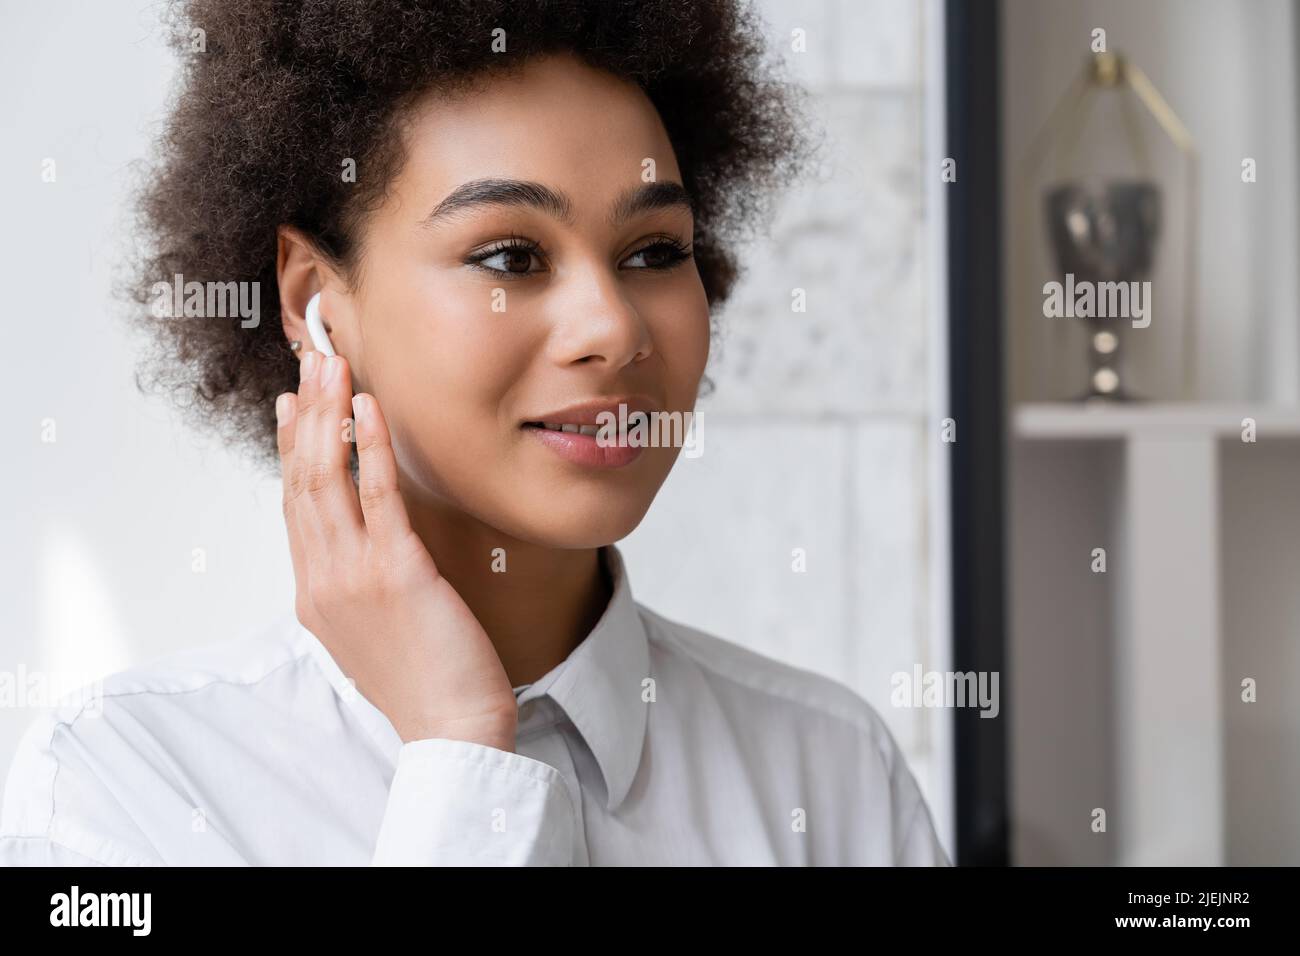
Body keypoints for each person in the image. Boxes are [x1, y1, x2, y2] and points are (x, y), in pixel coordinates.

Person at [0, 0, 948, 866]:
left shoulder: (832, 775)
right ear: (313, 302)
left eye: (654, 252)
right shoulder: (125, 787)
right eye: (510, 256)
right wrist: (457, 746)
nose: (614, 328)